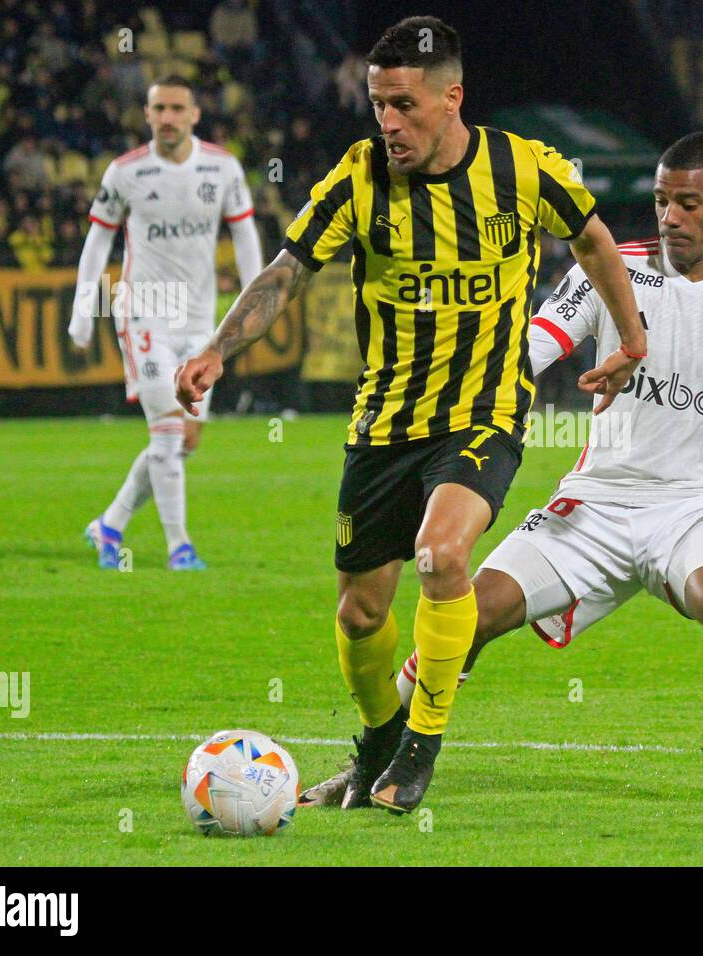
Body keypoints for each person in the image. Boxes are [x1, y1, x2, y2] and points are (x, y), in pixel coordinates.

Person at [307, 133, 703, 814]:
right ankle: (374, 762)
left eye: (688, 204)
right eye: (661, 201)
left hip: (696, 509)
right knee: (470, 610)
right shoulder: (613, 271)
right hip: (593, 506)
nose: (670, 217)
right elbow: (533, 347)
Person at [174, 16, 646, 814]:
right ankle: (381, 740)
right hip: (384, 422)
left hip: (484, 412)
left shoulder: (523, 169)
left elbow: (596, 242)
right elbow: (287, 272)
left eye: (402, 105)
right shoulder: (358, 179)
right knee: (360, 613)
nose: (387, 123)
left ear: (450, 97)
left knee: (439, 558)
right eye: (376, 104)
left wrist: (631, 338)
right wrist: (220, 350)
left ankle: (420, 746)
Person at [70, 75, 263, 571]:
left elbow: (244, 238)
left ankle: (108, 525)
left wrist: (255, 306)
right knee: (168, 433)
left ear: (195, 114)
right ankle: (181, 548)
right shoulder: (126, 172)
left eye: (178, 108)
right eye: (160, 109)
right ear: (148, 115)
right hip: (143, 312)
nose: (169, 118)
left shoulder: (222, 168)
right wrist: (82, 309)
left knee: (187, 438)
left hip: (201, 323)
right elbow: (98, 242)